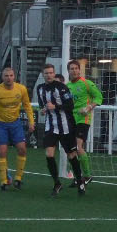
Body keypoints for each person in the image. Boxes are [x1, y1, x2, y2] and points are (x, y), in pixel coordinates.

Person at [34, 63, 85, 196]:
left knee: (71, 155)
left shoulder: (62, 88)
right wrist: (43, 110)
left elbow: (70, 105)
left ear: (54, 73)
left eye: (51, 73)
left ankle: (80, 181)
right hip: (50, 126)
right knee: (49, 154)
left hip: (66, 127)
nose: (49, 75)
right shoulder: (40, 88)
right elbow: (42, 105)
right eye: (46, 73)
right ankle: (57, 183)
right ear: (43, 75)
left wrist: (55, 107)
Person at [0, 65, 33, 191]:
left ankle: (18, 178)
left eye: (11, 75)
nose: (9, 78)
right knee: (2, 152)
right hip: (0, 124)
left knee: (22, 149)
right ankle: (4, 181)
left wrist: (31, 121)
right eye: (6, 76)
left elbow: (27, 105)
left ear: (14, 77)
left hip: (15, 123)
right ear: (2, 77)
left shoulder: (21, 89)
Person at [65, 59, 103, 181]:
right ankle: (78, 176)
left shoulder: (87, 83)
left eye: (76, 68)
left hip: (83, 119)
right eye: (72, 69)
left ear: (79, 70)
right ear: (68, 71)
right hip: (71, 120)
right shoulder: (67, 87)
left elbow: (99, 97)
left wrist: (89, 107)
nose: (74, 71)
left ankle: (87, 175)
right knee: (71, 149)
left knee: (78, 146)